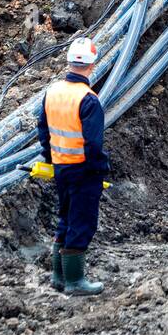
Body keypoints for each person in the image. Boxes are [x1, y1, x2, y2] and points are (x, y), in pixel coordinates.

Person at [37, 37, 109, 296]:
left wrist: (50, 158)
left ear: (68, 62)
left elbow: (43, 131)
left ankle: (58, 277)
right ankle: (75, 281)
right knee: (82, 223)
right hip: (83, 171)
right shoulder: (88, 99)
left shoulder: (52, 92)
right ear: (92, 65)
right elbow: (93, 144)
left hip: (61, 168)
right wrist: (99, 169)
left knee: (65, 219)